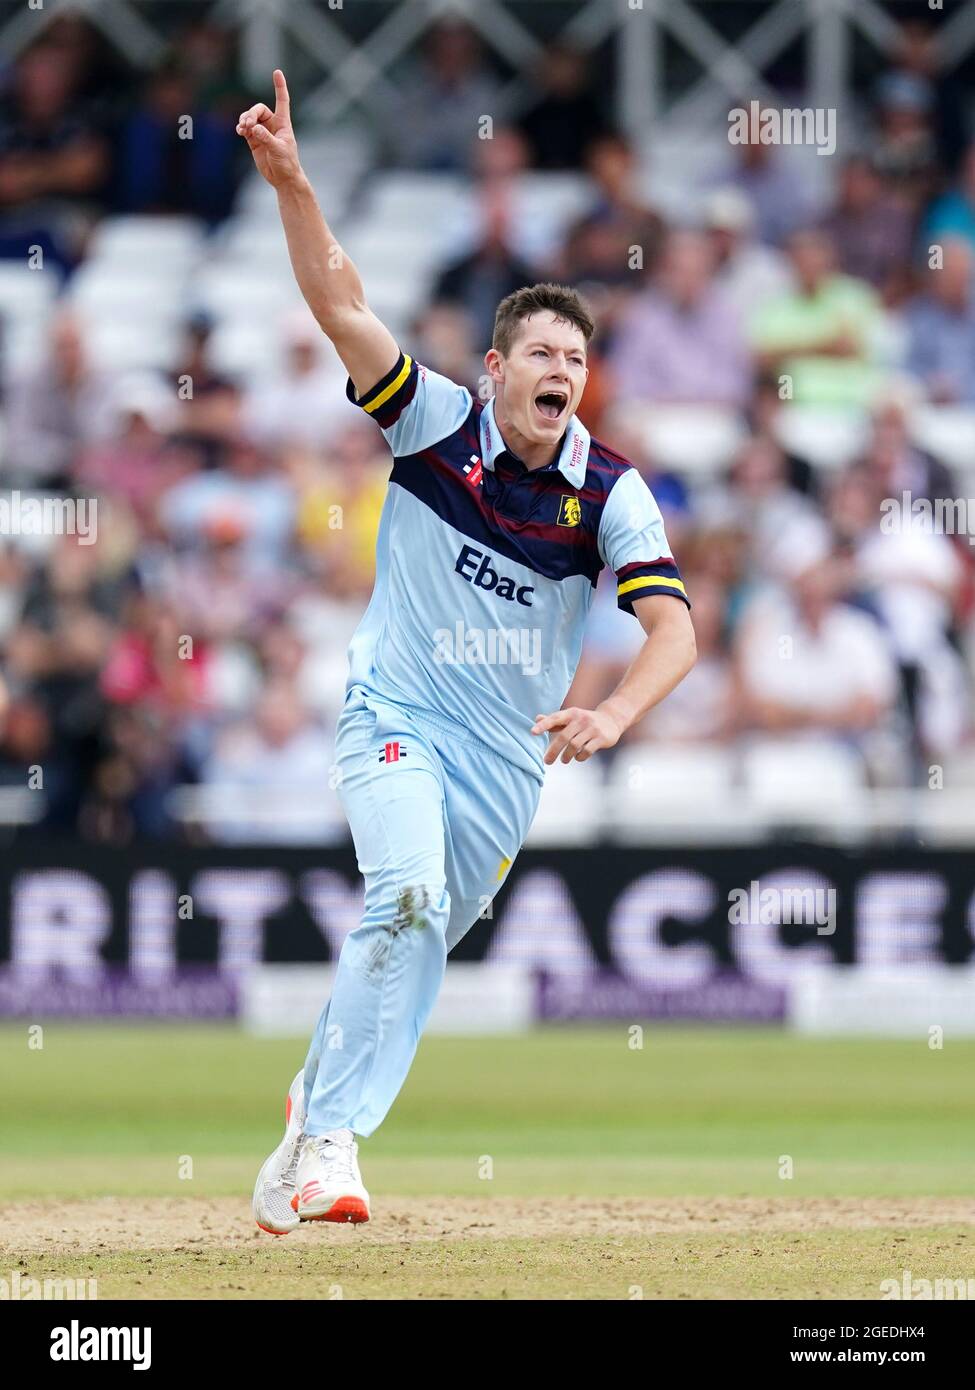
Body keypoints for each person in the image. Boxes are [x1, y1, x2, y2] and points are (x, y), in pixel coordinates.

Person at [236, 72, 696, 1232]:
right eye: (540, 353)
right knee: (402, 889)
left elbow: (675, 630)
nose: (560, 373)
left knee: (415, 950)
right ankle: (330, 1147)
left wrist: (615, 714)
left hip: (507, 760)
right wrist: (294, 186)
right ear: (495, 369)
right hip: (393, 709)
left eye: (576, 361)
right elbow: (342, 303)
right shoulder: (432, 423)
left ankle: (314, 1098)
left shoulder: (610, 491)